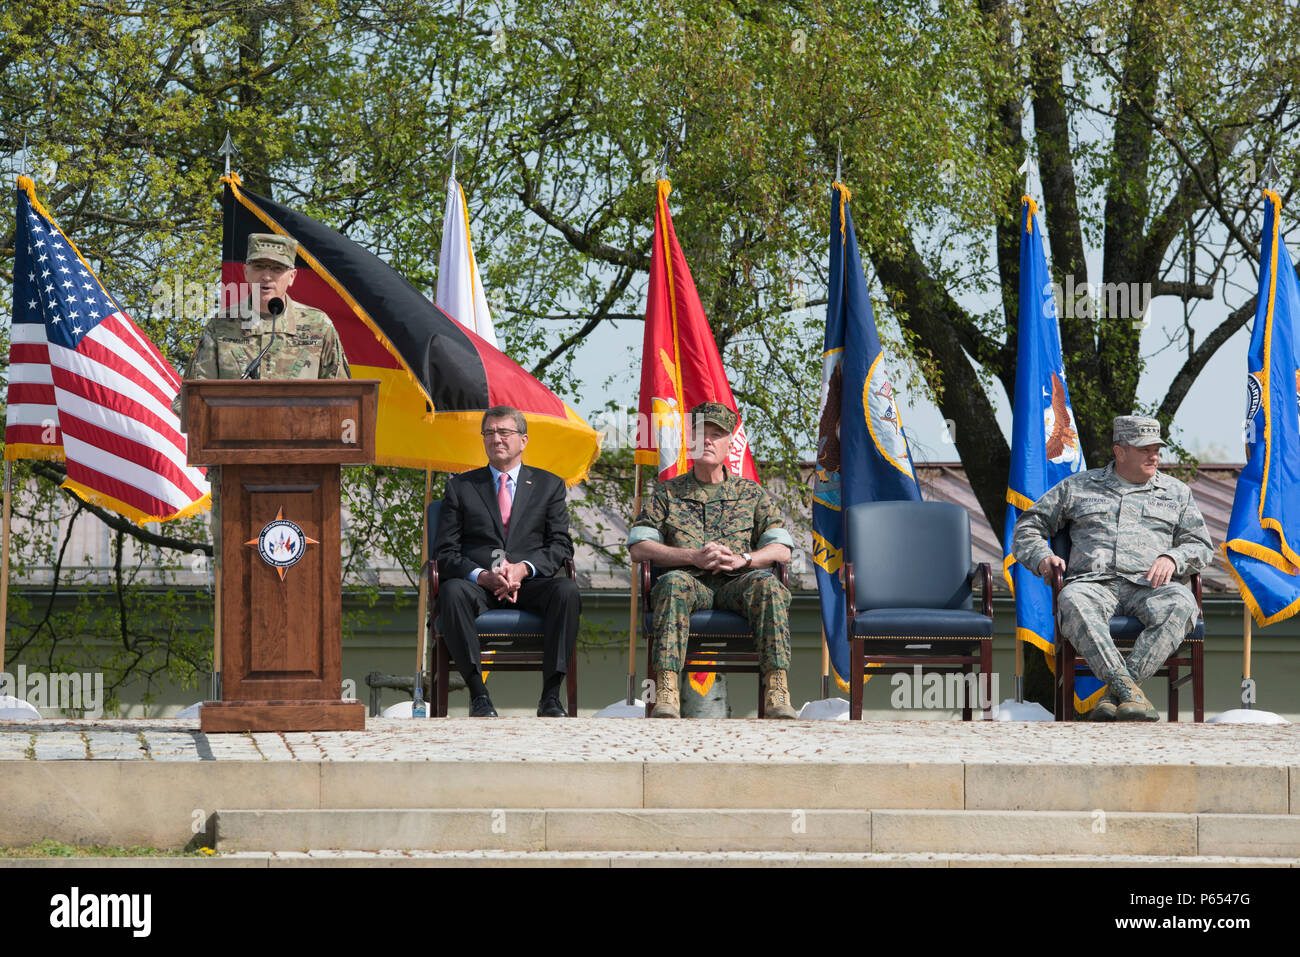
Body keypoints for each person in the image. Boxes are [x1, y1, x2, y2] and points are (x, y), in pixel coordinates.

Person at [1013, 415, 1213, 721]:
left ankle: (1116, 692)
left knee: (1183, 603)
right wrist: (1042, 557)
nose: (1154, 455)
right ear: (1120, 452)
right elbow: (1028, 526)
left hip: (1151, 587)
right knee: (1071, 600)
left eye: (1156, 448)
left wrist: (1173, 558)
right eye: (1144, 449)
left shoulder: (1176, 493)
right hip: (1094, 585)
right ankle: (1128, 691)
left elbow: (1200, 546)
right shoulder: (1078, 486)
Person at [628, 402, 798, 719]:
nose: (707, 441)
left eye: (716, 434)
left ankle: (777, 688)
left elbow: (782, 550)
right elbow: (639, 546)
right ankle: (665, 690)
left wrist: (744, 559)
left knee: (769, 585)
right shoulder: (667, 493)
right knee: (672, 583)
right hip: (691, 585)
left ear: (729, 444)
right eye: (700, 434)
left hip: (738, 584)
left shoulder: (752, 493)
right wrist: (691, 556)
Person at [433, 406, 580, 717]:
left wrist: (523, 568)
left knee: (567, 591)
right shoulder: (460, 487)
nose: (496, 439)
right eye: (489, 433)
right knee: (451, 592)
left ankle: (551, 696)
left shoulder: (549, 485)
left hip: (530, 585)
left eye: (504, 432)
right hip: (480, 588)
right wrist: (482, 575)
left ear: (523, 440)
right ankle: (478, 694)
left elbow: (561, 546)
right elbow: (445, 553)